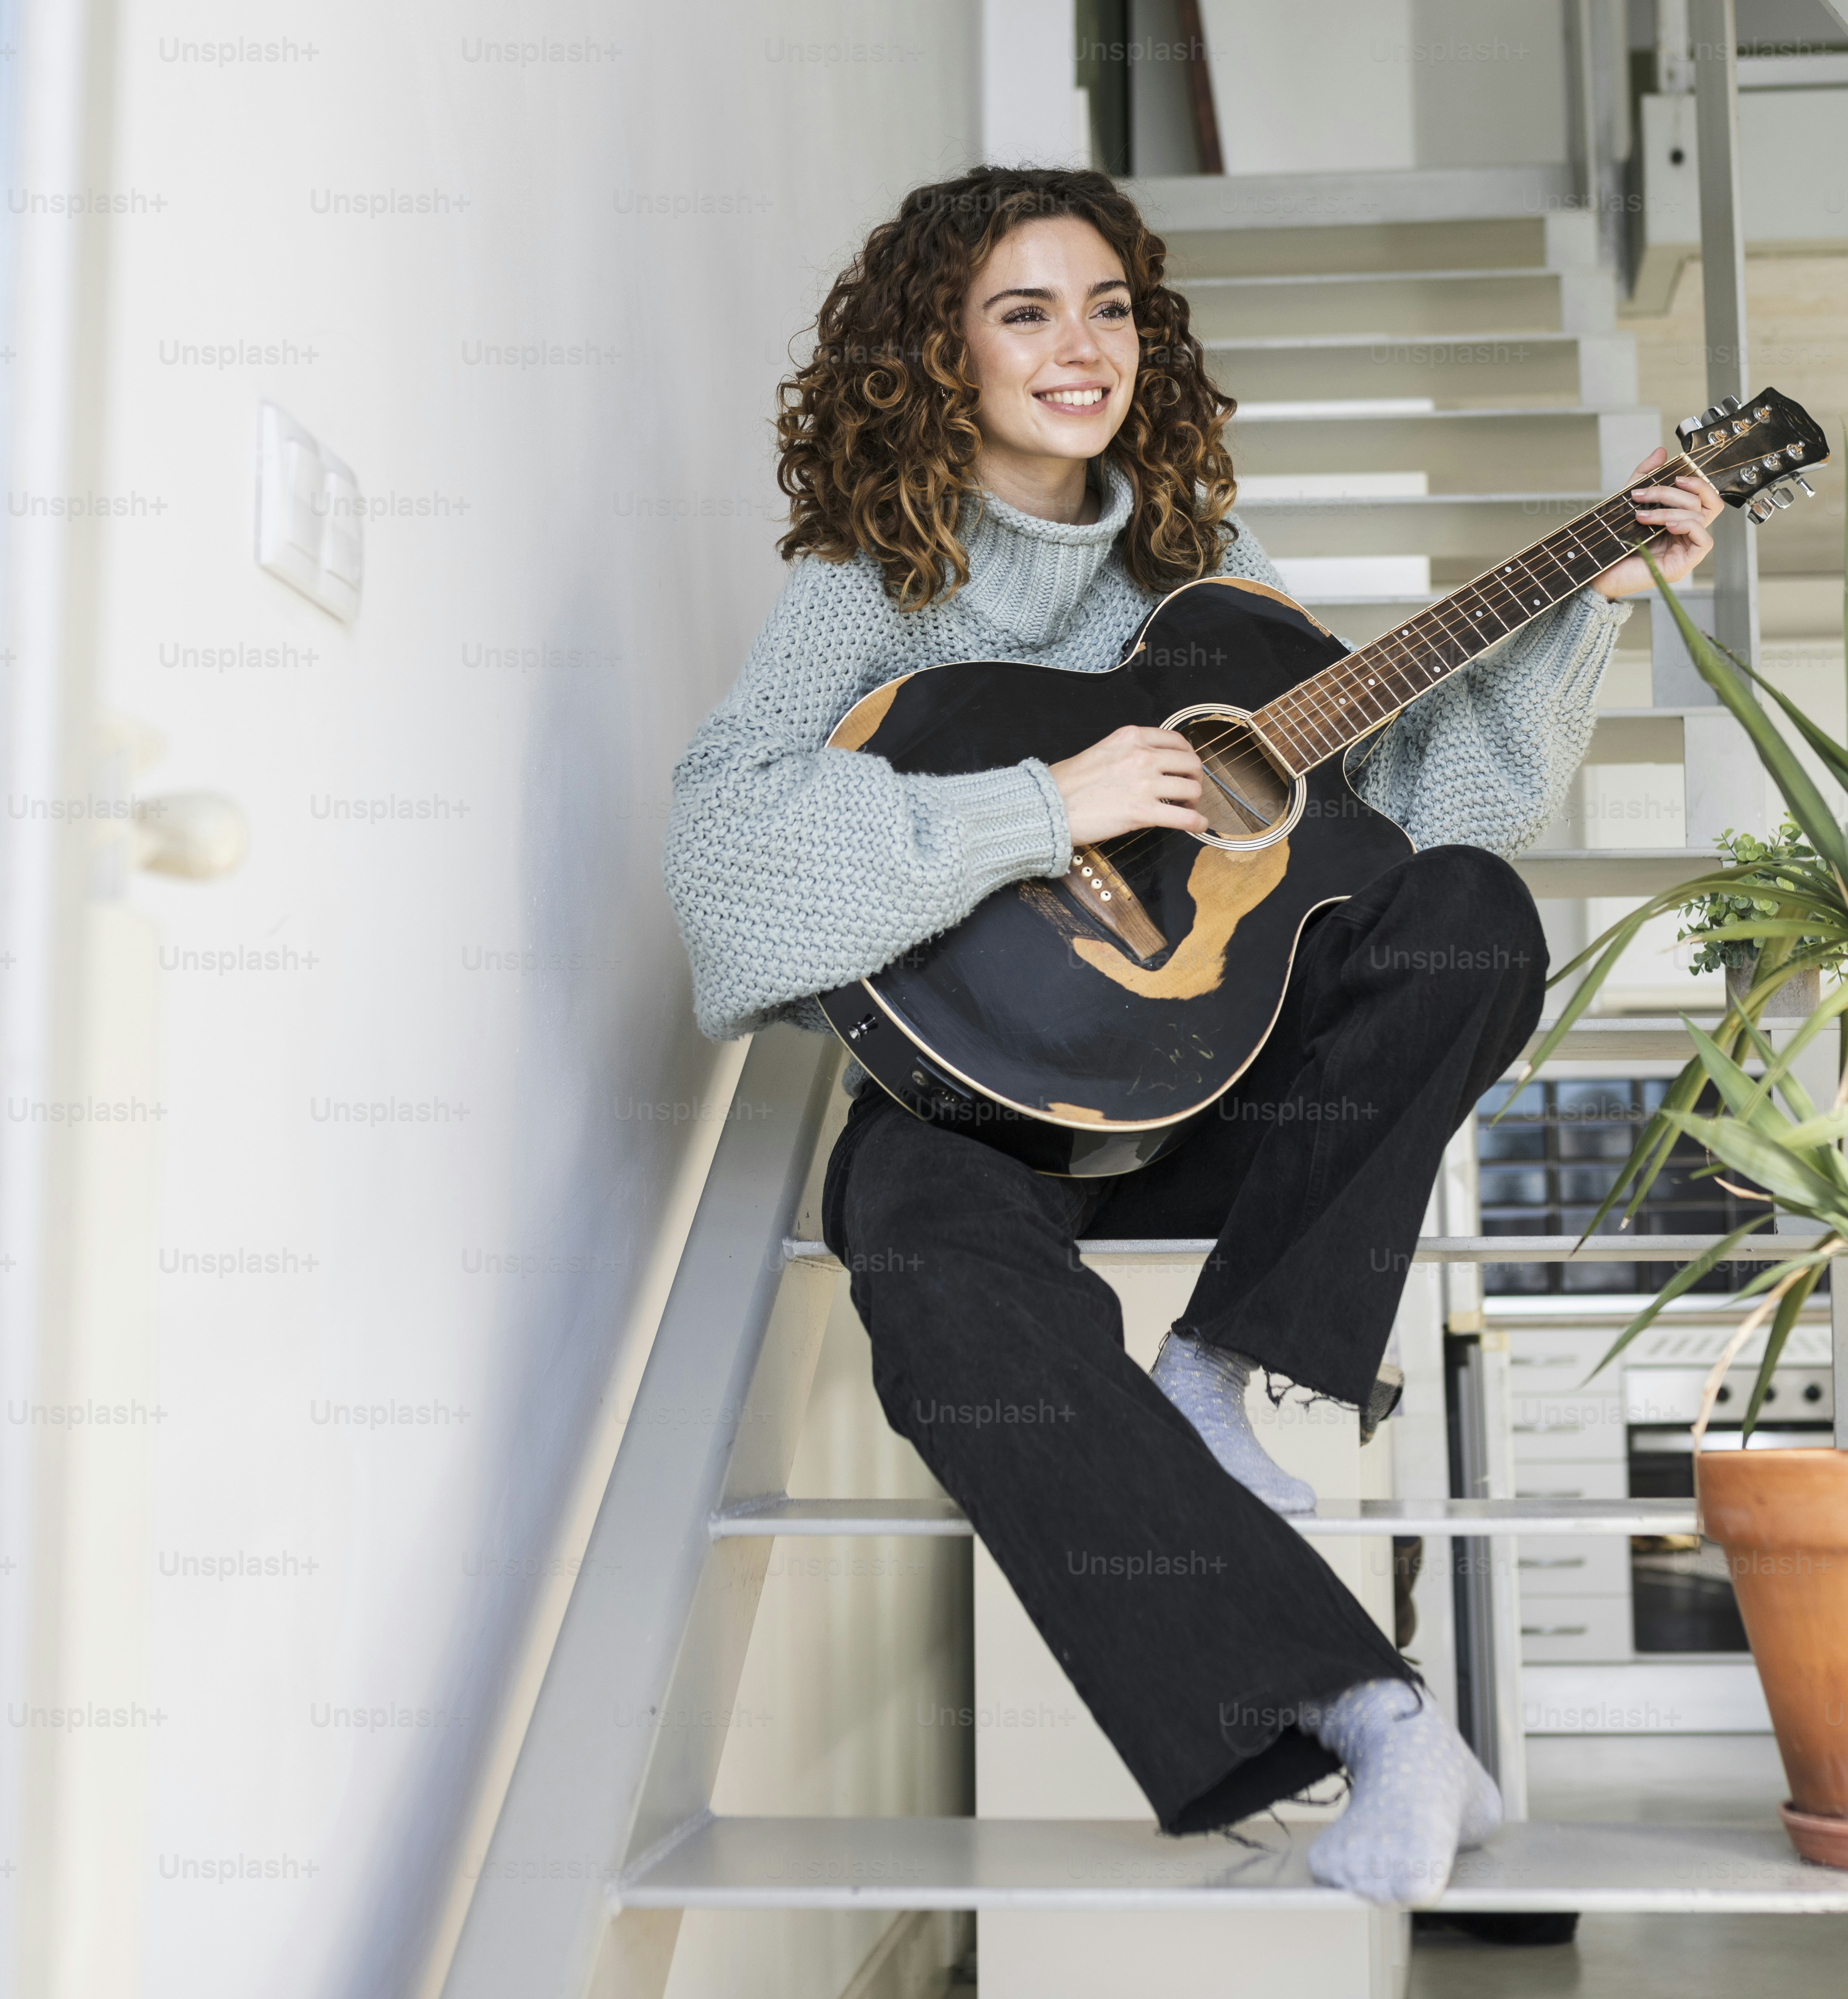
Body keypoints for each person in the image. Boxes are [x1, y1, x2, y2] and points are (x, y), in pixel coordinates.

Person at [663, 165, 1723, 1905]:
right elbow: (721, 852)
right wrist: (1044, 802)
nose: (1079, 346)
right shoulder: (870, 585)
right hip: (970, 1093)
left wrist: (1586, 605)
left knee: (1467, 912)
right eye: (1024, 312)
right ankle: (1371, 1716)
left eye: (1109, 308)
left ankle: (1223, 1365)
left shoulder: (1207, 583)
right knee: (930, 1288)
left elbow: (1409, 821)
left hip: (1208, 1083)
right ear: (938, 351)